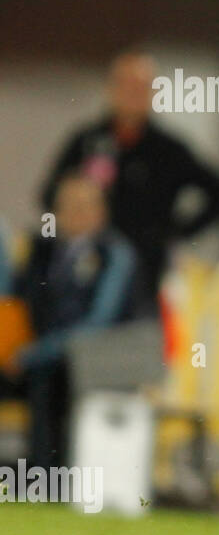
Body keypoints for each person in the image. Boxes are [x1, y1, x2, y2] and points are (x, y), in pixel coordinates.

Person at [39, 49, 219, 314]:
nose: (133, 93)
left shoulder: (168, 149)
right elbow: (49, 194)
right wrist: (67, 228)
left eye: (141, 87)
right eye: (125, 85)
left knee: (135, 340)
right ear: (110, 89)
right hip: (88, 266)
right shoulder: (87, 141)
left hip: (145, 269)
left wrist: (176, 232)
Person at [4, 174, 137, 468]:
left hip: (96, 359)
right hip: (34, 355)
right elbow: (18, 303)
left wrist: (32, 354)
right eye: (69, 206)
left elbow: (97, 324)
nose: (77, 214)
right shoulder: (42, 250)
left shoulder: (114, 253)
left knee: (50, 381)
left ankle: (47, 479)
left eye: (86, 206)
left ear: (102, 211)